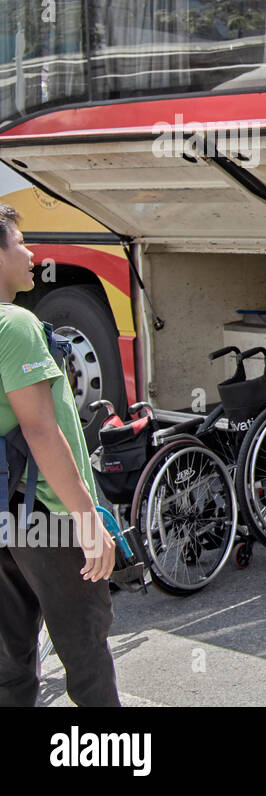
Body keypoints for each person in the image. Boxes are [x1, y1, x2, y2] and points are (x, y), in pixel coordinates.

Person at [0, 204, 119, 707]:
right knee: (87, 659)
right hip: (42, 514)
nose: (31, 254)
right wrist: (90, 522)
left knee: (10, 666)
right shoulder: (14, 325)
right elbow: (41, 431)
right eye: (20, 242)